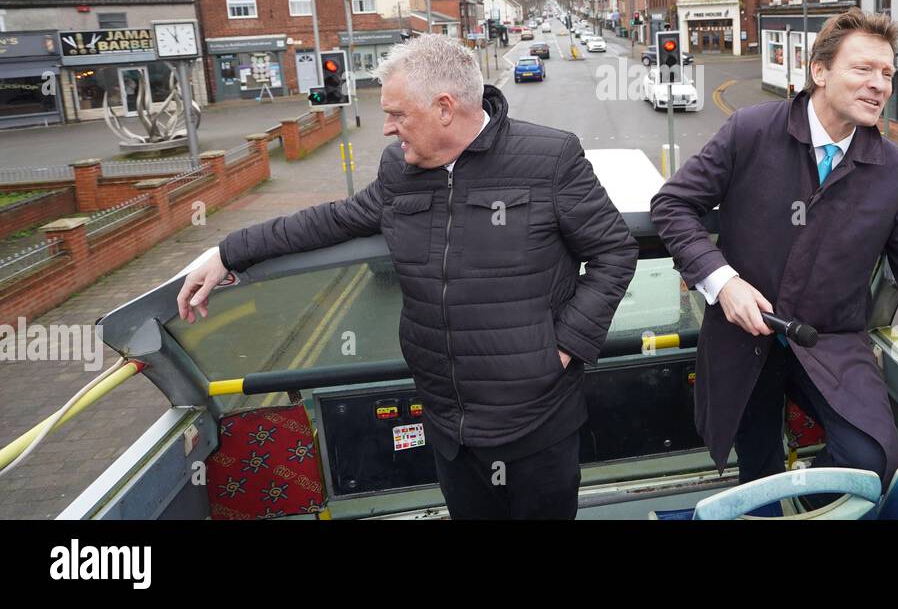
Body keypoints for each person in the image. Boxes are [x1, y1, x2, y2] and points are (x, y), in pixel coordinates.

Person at [178, 33, 637, 519]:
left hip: (537, 424)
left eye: (397, 114)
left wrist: (561, 348)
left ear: (445, 108)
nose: (386, 128)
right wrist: (229, 252)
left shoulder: (551, 157)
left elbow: (613, 251)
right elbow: (334, 220)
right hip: (448, 426)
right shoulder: (400, 169)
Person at [650, 9, 898, 492]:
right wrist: (723, 282)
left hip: (830, 342)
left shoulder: (892, 171)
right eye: (863, 69)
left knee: (872, 458)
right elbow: (672, 204)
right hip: (744, 336)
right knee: (757, 468)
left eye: (887, 74)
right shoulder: (751, 130)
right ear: (820, 72)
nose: (879, 84)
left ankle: (813, 499)